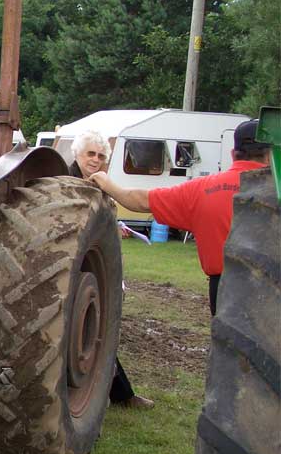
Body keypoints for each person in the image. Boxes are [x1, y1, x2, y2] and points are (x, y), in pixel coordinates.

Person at [89, 119, 271, 316]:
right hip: (270, 285)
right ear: (270, 156)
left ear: (233, 154)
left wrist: (107, 184)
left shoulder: (202, 189)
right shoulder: (274, 190)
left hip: (224, 288)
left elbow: (140, 201)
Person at [69, 131, 153, 409]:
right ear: (77, 155)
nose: (95, 160)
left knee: (98, 329)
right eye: (90, 154)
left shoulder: (100, 186)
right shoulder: (63, 181)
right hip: (71, 266)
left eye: (101, 156)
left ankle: (119, 393)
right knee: (92, 330)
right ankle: (118, 394)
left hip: (92, 266)